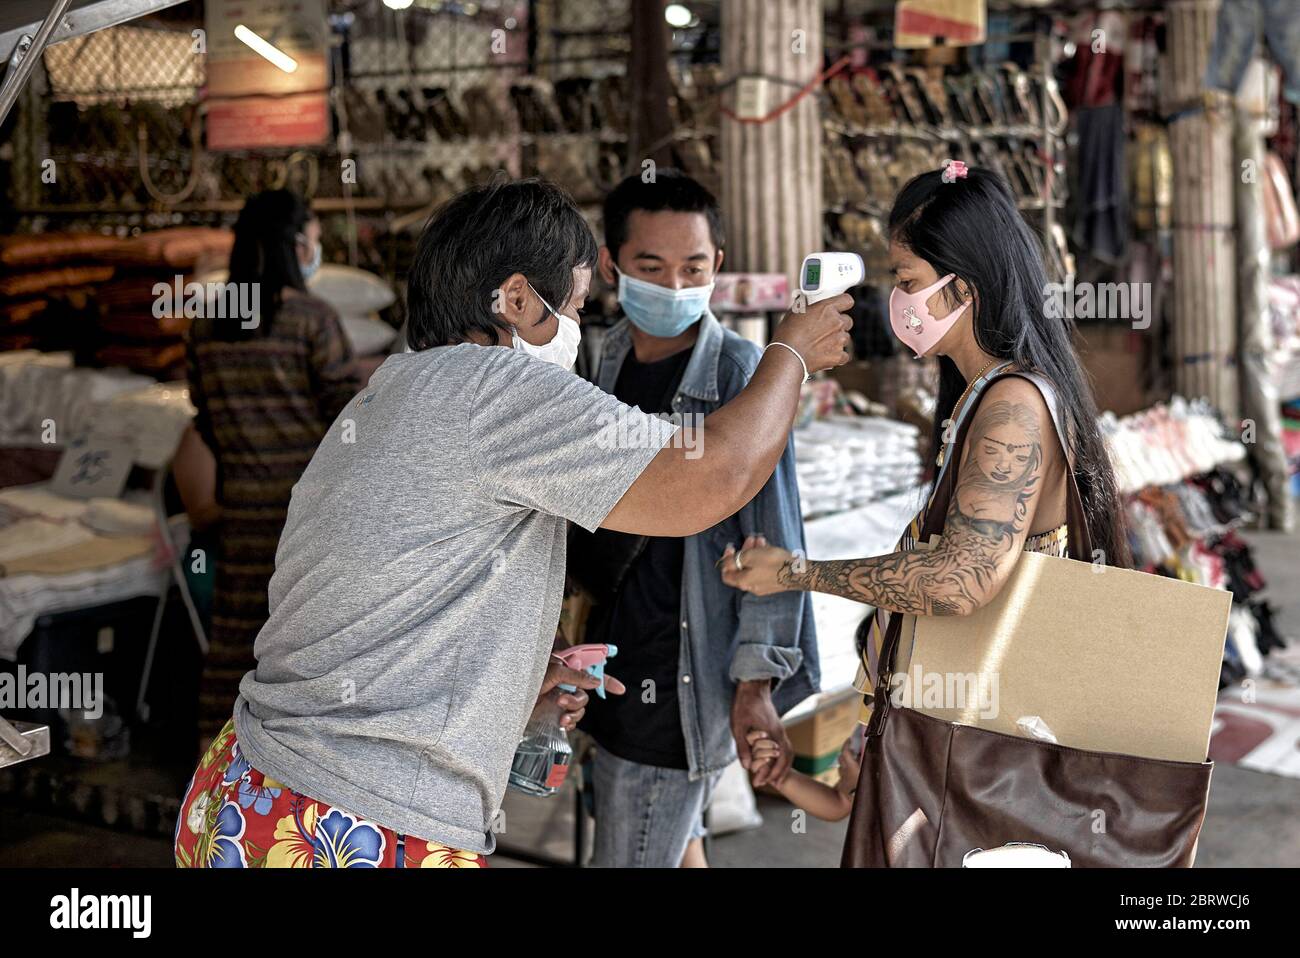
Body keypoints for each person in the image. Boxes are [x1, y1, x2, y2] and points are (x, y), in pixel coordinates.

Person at [173, 177, 853, 868]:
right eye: (579, 306)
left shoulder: (387, 394)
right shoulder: (495, 389)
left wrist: (512, 674)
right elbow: (712, 477)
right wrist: (791, 355)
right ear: (518, 300)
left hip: (248, 795)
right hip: (348, 825)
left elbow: (411, 587)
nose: (582, 328)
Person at [721, 166, 1131, 863]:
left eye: (908, 280)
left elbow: (959, 581)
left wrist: (795, 572)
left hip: (987, 754)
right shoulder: (986, 397)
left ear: (963, 288)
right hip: (963, 742)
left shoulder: (1013, 406)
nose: (897, 300)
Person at [568, 170, 815, 868]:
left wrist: (756, 682)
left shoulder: (743, 375)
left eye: (693, 268)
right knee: (675, 845)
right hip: (612, 656)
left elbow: (776, 537)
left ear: (719, 269)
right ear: (612, 266)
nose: (674, 286)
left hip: (678, 677)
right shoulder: (601, 358)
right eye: (651, 267)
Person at [185, 190, 361, 750]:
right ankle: (289, 775)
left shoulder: (208, 328)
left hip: (239, 513)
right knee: (300, 648)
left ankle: (216, 774)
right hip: (306, 523)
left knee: (235, 644)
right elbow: (347, 424)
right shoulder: (312, 319)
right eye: (312, 235)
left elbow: (205, 420)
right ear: (296, 244)